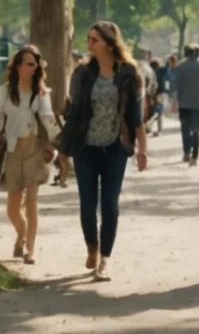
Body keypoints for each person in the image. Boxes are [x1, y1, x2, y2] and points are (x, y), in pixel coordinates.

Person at [60, 21, 150, 281]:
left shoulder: (128, 74)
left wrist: (142, 148)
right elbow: (74, 111)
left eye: (94, 40)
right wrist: (62, 146)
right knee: (87, 204)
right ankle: (92, 246)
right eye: (88, 39)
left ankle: (105, 260)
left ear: (109, 44)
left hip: (115, 147)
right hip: (85, 148)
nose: (89, 44)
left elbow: (135, 116)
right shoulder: (82, 73)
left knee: (110, 204)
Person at [0, 45, 60, 264]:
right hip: (11, 150)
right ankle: (21, 233)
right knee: (12, 207)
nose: (33, 67)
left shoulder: (41, 91)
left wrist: (59, 141)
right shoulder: (4, 91)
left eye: (35, 64)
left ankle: (30, 249)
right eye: (29, 63)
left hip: (34, 149)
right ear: (18, 66)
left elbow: (48, 118)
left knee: (31, 202)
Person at [171, 43, 199, 166]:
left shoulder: (180, 66)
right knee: (196, 129)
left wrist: (175, 101)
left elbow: (176, 85)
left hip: (184, 102)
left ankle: (186, 151)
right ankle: (195, 156)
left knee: (185, 128)